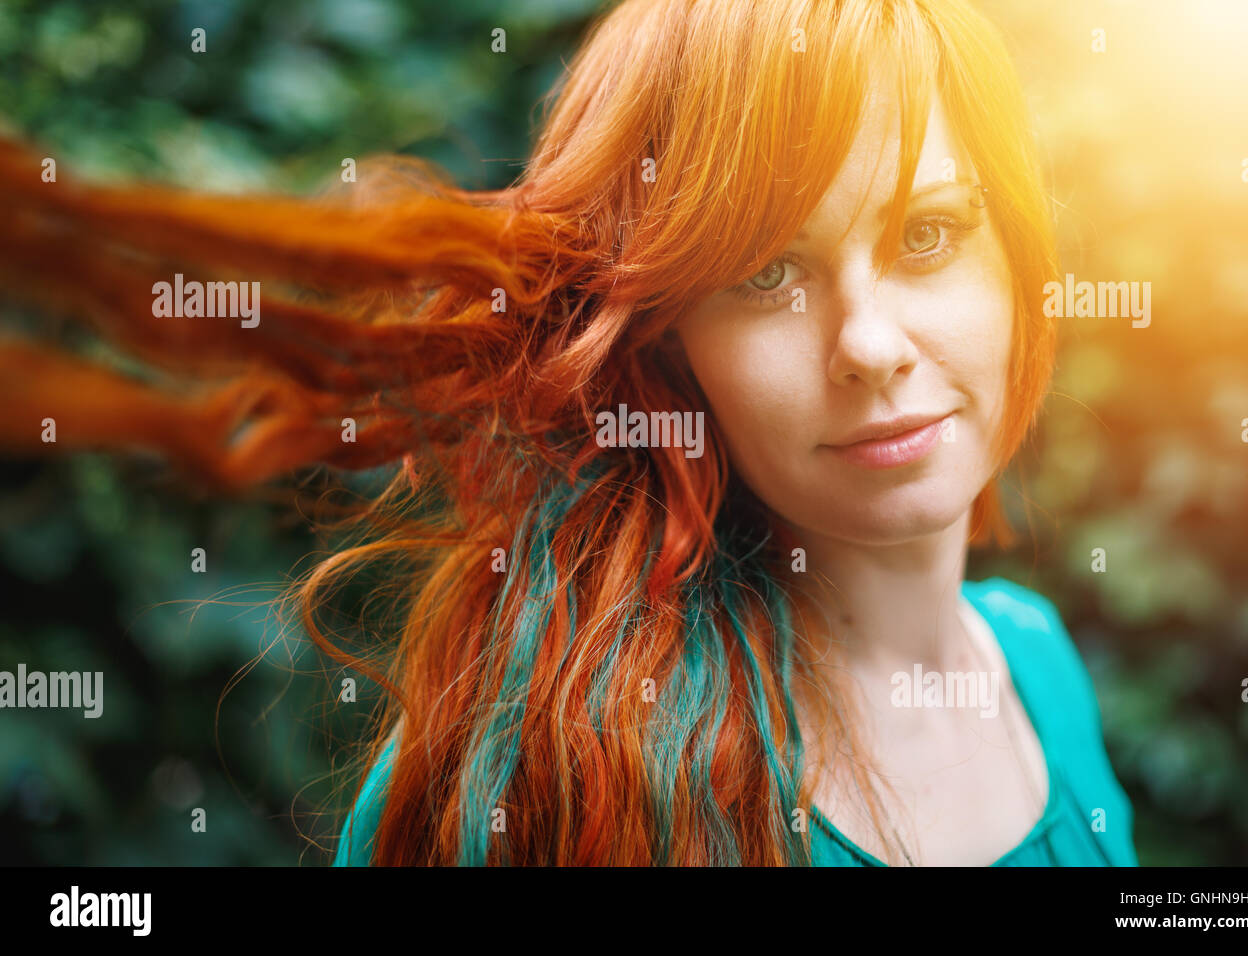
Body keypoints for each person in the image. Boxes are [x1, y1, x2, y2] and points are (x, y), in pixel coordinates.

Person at [0, 0, 1137, 866]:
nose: (869, 341)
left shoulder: (1039, 660)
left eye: (929, 235)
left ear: (1022, 262)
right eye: (765, 272)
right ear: (665, 342)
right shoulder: (544, 778)